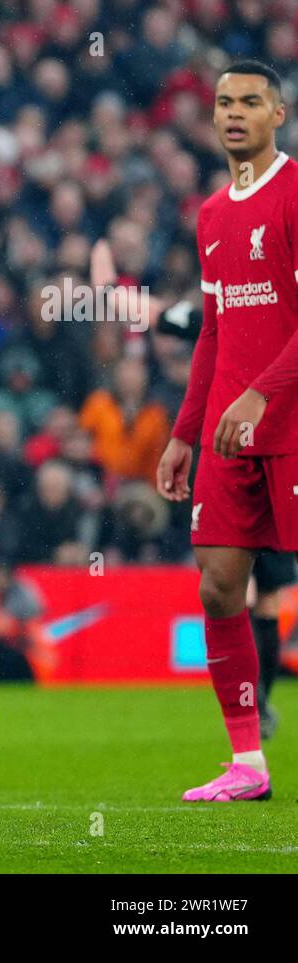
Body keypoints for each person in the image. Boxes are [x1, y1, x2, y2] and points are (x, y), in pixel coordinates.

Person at [156, 61, 298, 803]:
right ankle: (248, 761)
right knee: (218, 587)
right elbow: (213, 331)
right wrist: (186, 430)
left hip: (289, 420)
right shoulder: (212, 213)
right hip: (225, 430)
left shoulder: (296, 192)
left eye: (250, 102)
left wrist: (258, 396)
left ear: (277, 112)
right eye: (222, 103)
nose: (233, 113)